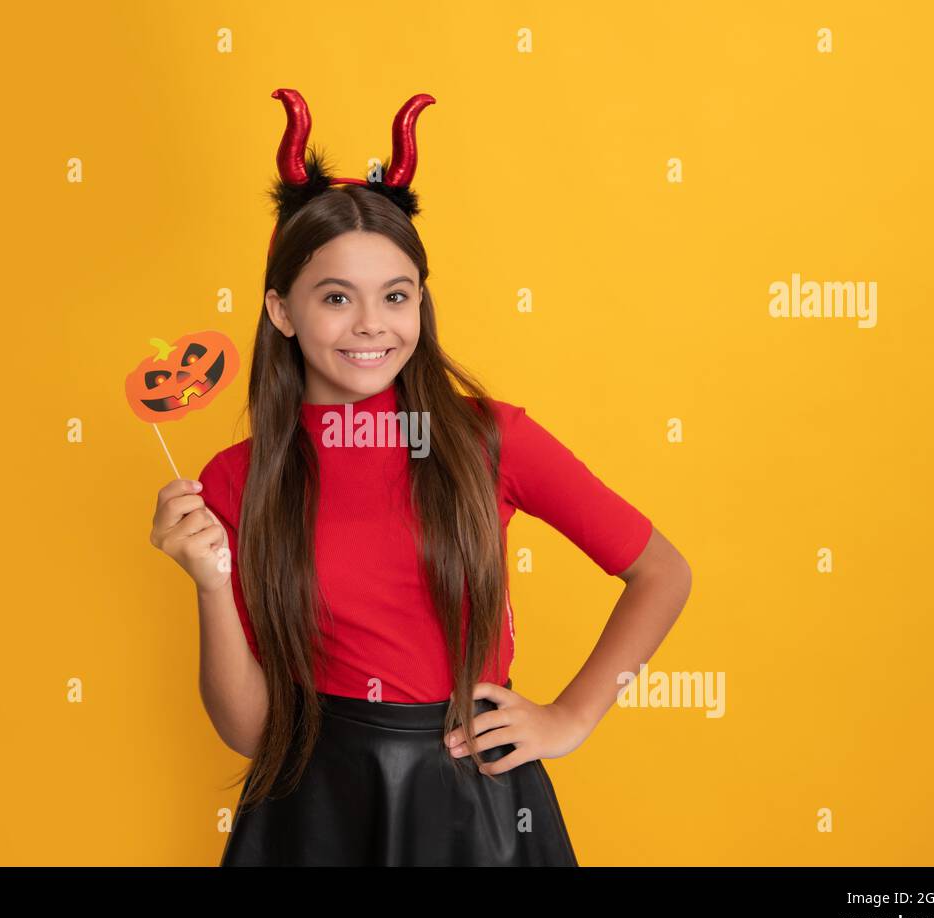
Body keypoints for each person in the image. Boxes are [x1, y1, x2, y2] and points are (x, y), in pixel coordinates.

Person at [151, 89, 692, 866]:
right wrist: (209, 580)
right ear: (281, 310)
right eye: (336, 297)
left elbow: (661, 571)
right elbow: (248, 731)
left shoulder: (490, 440)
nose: (372, 324)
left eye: (396, 296)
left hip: (473, 803)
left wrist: (570, 716)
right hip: (314, 806)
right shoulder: (237, 478)